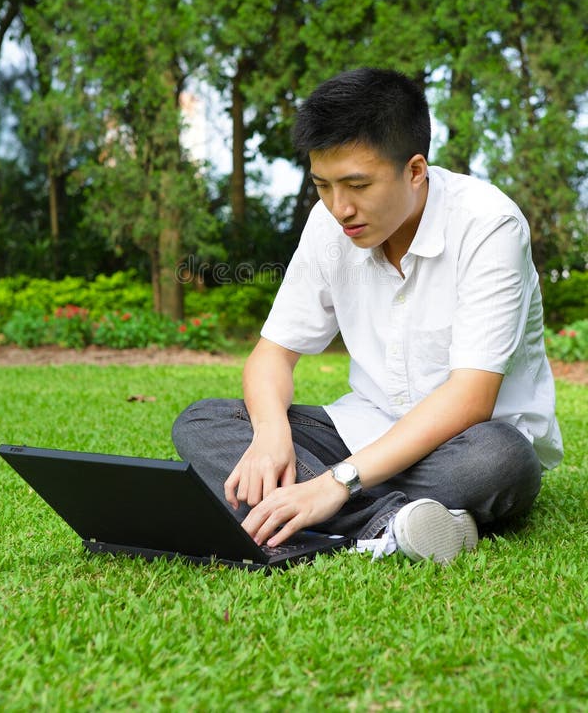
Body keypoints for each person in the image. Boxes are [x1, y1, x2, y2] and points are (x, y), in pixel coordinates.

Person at [172, 67, 563, 563]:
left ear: (415, 170)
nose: (340, 208)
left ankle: (326, 506)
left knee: (498, 462)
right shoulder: (328, 224)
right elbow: (271, 354)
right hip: (365, 429)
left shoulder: (489, 225)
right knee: (204, 419)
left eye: (357, 184)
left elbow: (471, 397)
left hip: (465, 442)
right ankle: (396, 525)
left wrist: (337, 480)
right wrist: (271, 438)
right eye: (323, 185)